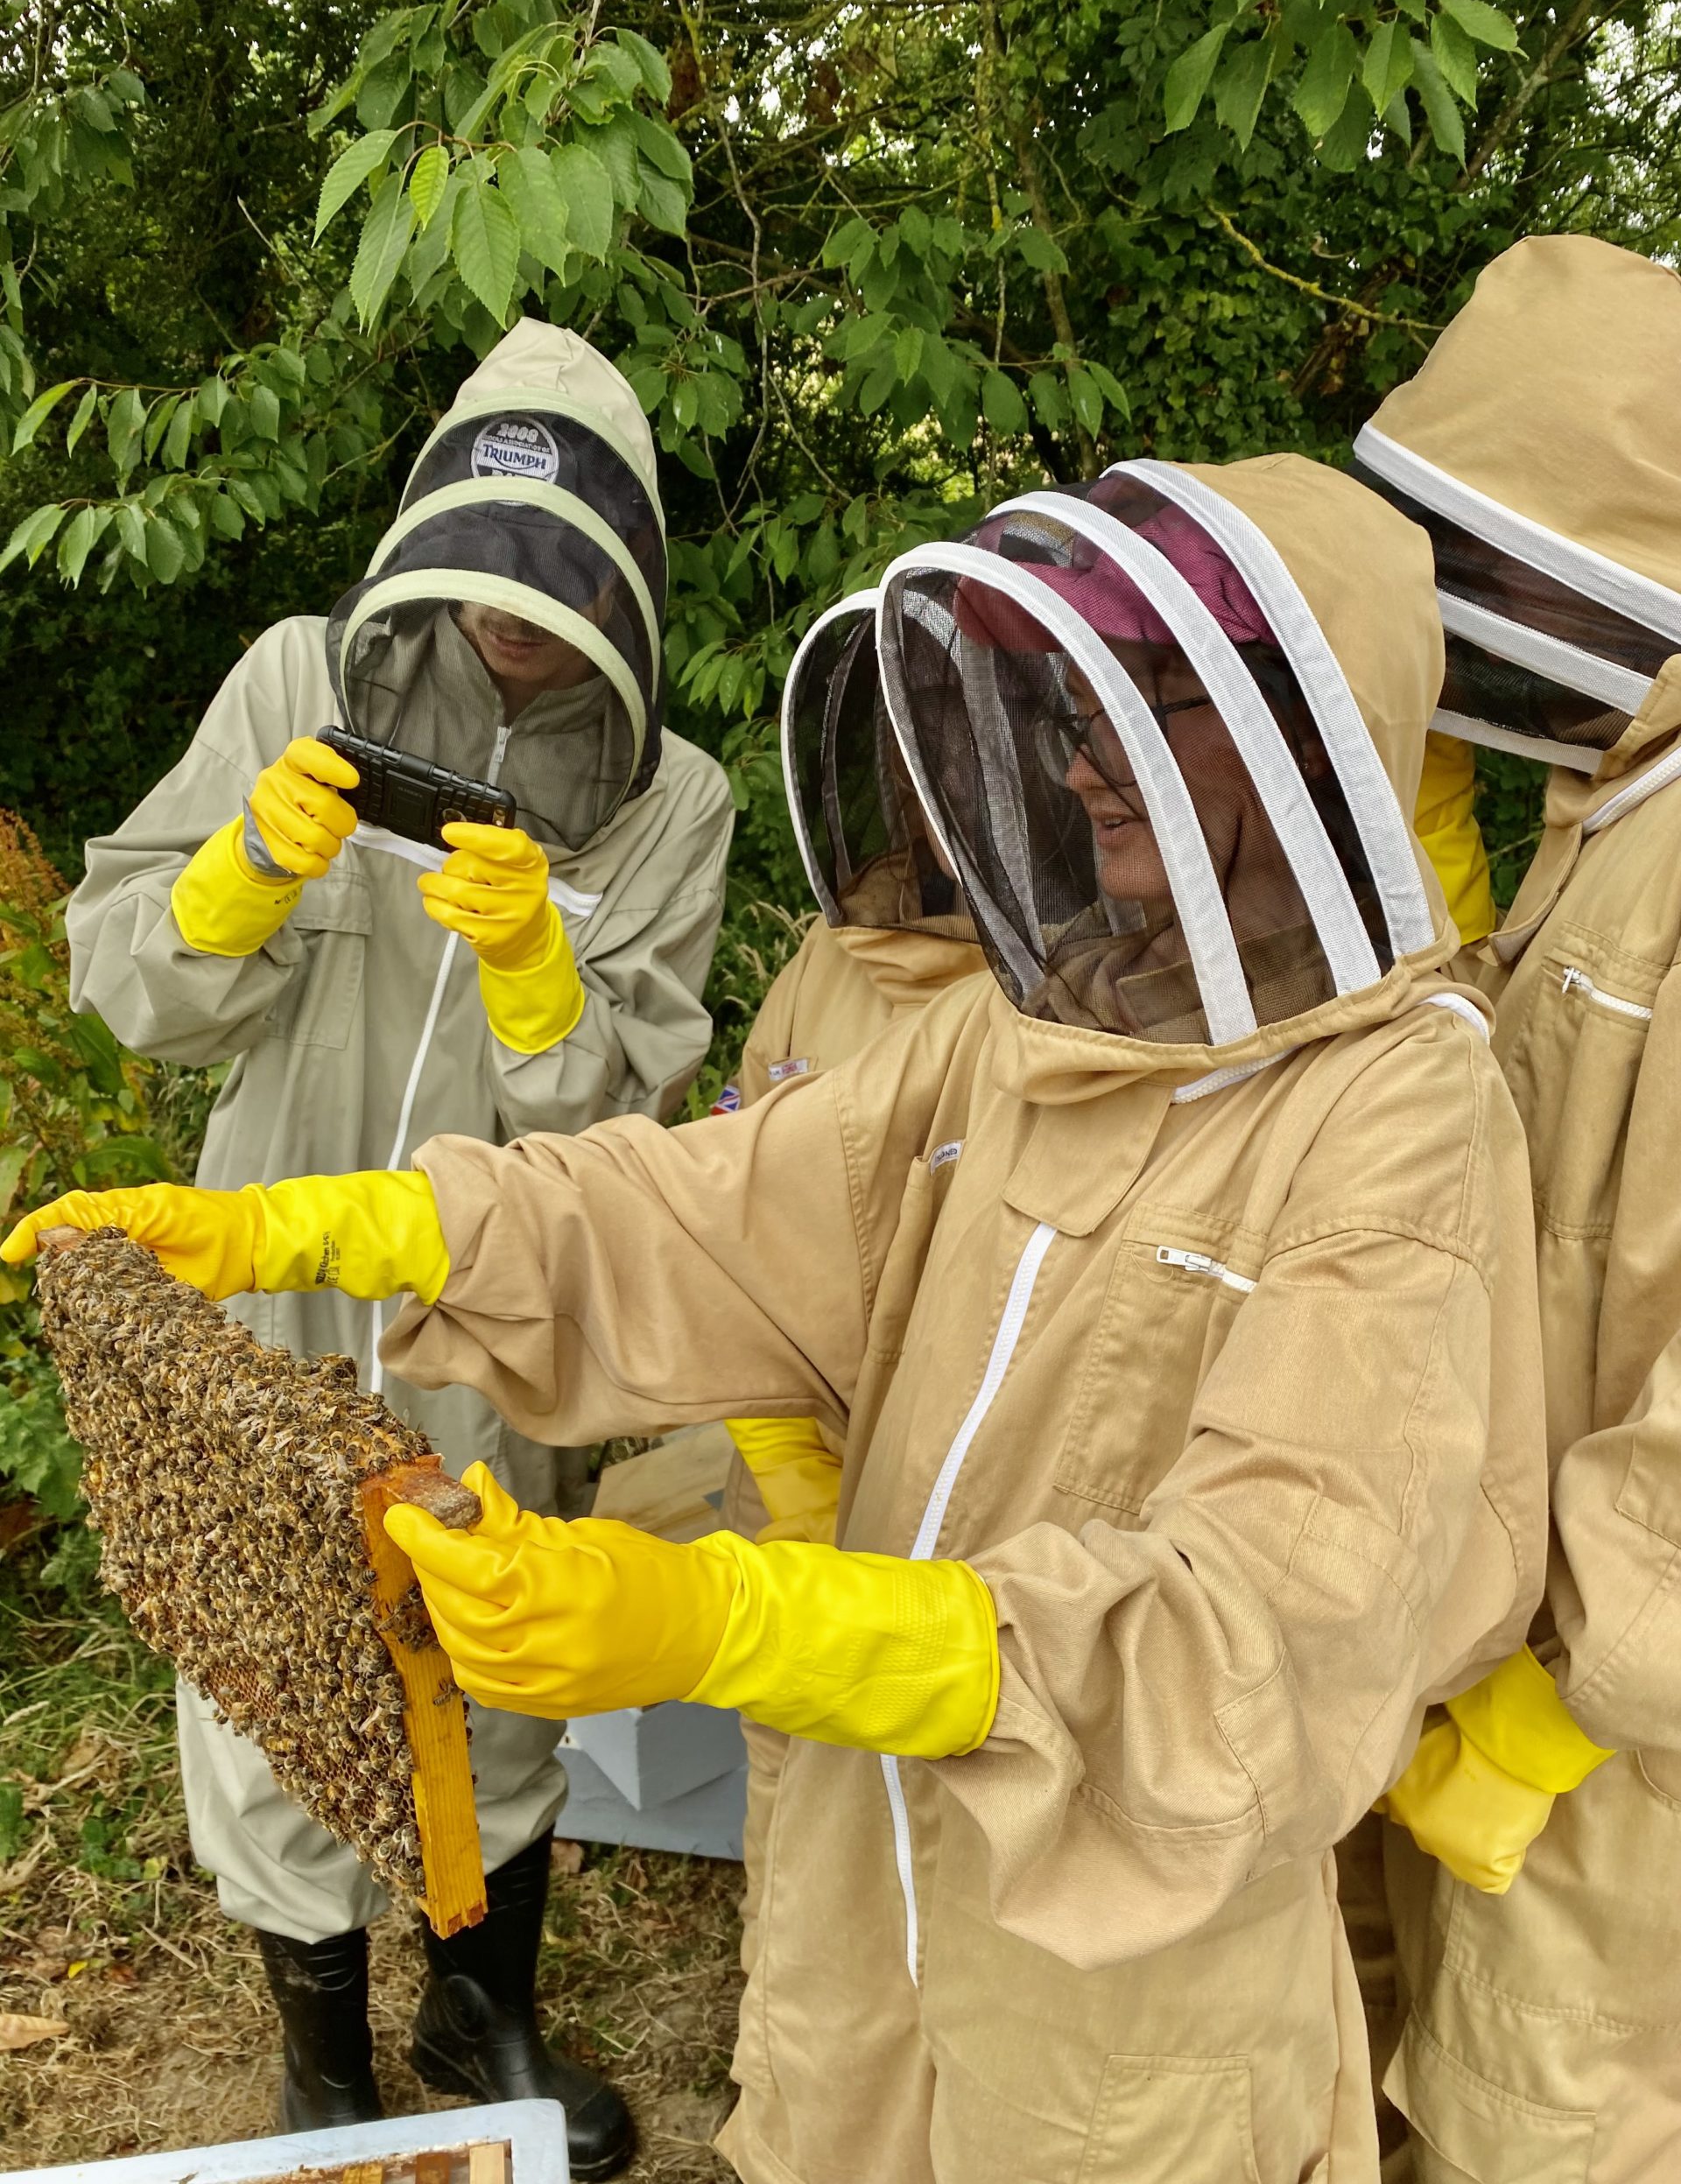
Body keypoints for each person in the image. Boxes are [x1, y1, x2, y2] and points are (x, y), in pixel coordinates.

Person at [11, 456, 1549, 2183]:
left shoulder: (1402, 1112)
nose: (1080, 762)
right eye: (1070, 713)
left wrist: (717, 1616)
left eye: (1151, 704)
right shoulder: (1025, 1032)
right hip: (853, 1883)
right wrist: (339, 1226)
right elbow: (708, 1206)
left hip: (1126, 1980)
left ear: (1304, 735)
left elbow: (1255, 1631)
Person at [51, 319, 735, 2176]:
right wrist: (233, 882)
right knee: (271, 1651)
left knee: (495, 1639)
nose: (516, 618)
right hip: (269, 1264)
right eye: (491, 573)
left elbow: (624, 1124)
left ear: (624, 585)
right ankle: (326, 2058)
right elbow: (131, 987)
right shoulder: (297, 677)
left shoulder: (674, 801)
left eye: (557, 582)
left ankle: (477, 2010)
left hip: (494, 1310)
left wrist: (541, 976)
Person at [1348, 233, 1681, 2180]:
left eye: (1479, 576)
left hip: (1623, 1750)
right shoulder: (1615, 791)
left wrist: (1575, 1698)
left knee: (1554, 2131)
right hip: (1523, 1652)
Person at [716, 588, 984, 1969]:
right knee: (805, 1853)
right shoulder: (826, 961)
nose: (935, 779)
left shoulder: (1094, 984)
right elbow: (730, 1192)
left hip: (987, 1528)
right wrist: (780, 1458)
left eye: (968, 739)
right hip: (803, 1502)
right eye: (913, 741)